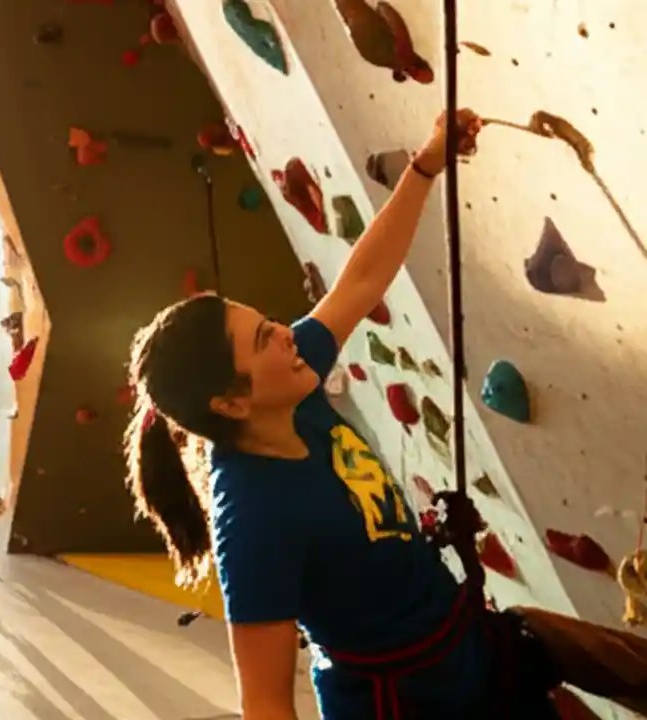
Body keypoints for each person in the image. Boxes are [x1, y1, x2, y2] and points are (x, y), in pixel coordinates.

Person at [122, 111, 559, 719]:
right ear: (231, 403)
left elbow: (362, 278)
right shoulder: (253, 523)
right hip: (404, 703)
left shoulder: (290, 381)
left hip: (462, 650)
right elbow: (267, 701)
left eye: (268, 322)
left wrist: (425, 164)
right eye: (262, 341)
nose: (284, 334)